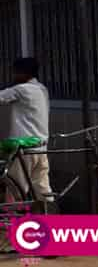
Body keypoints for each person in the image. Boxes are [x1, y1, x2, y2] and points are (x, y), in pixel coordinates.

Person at [0, 58, 50, 204]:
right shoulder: (42, 89)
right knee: (42, 189)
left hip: (24, 148)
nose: (13, 76)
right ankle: (49, 218)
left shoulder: (21, 89)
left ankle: (12, 221)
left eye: (15, 72)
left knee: (16, 188)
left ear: (22, 73)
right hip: (41, 147)